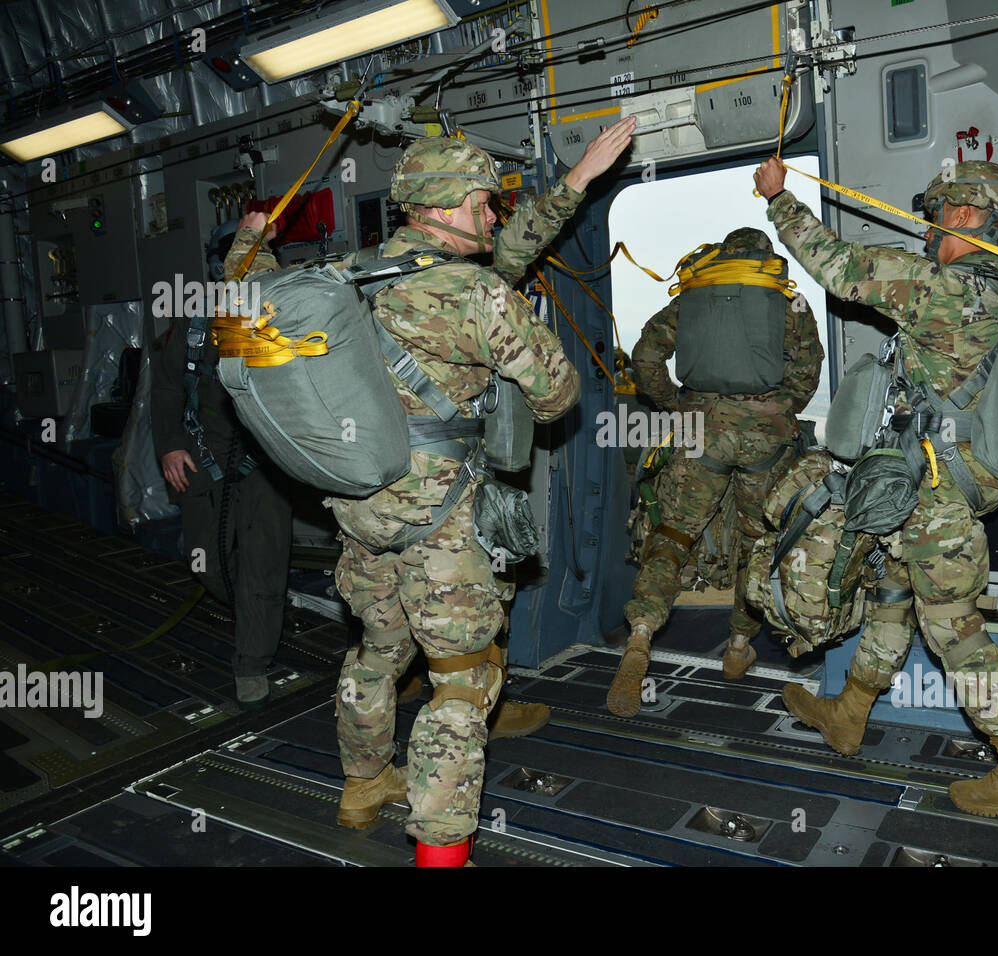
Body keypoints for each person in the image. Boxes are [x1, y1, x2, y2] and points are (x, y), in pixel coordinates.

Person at [227, 119, 636, 865]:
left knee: (379, 648)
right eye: (486, 202)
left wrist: (248, 240)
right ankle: (441, 854)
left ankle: (362, 785)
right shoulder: (478, 295)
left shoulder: (347, 274)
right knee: (461, 681)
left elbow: (241, 304)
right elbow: (556, 395)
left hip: (359, 508)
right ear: (449, 207)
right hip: (442, 520)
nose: (495, 215)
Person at [752, 157, 998, 818]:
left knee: (953, 631)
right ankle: (849, 715)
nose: (931, 225)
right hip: (938, 481)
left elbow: (837, 267)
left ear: (964, 213)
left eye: (942, 211)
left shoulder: (942, 287)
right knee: (892, 600)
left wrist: (780, 200)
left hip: (937, 497)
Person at [608, 227, 824, 717]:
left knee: (673, 534)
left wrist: (674, 405)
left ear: (724, 256)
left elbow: (645, 355)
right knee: (758, 541)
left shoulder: (693, 295)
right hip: (766, 435)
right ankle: (737, 647)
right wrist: (778, 410)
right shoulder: (788, 302)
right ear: (767, 258)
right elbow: (808, 370)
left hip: (698, 426)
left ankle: (641, 631)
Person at [151, 219, 293, 711]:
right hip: (201, 458)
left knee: (264, 564)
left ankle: (251, 663)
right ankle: (259, 611)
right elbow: (166, 386)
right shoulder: (193, 324)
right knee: (204, 560)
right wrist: (170, 444)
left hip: (266, 465)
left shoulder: (282, 315)